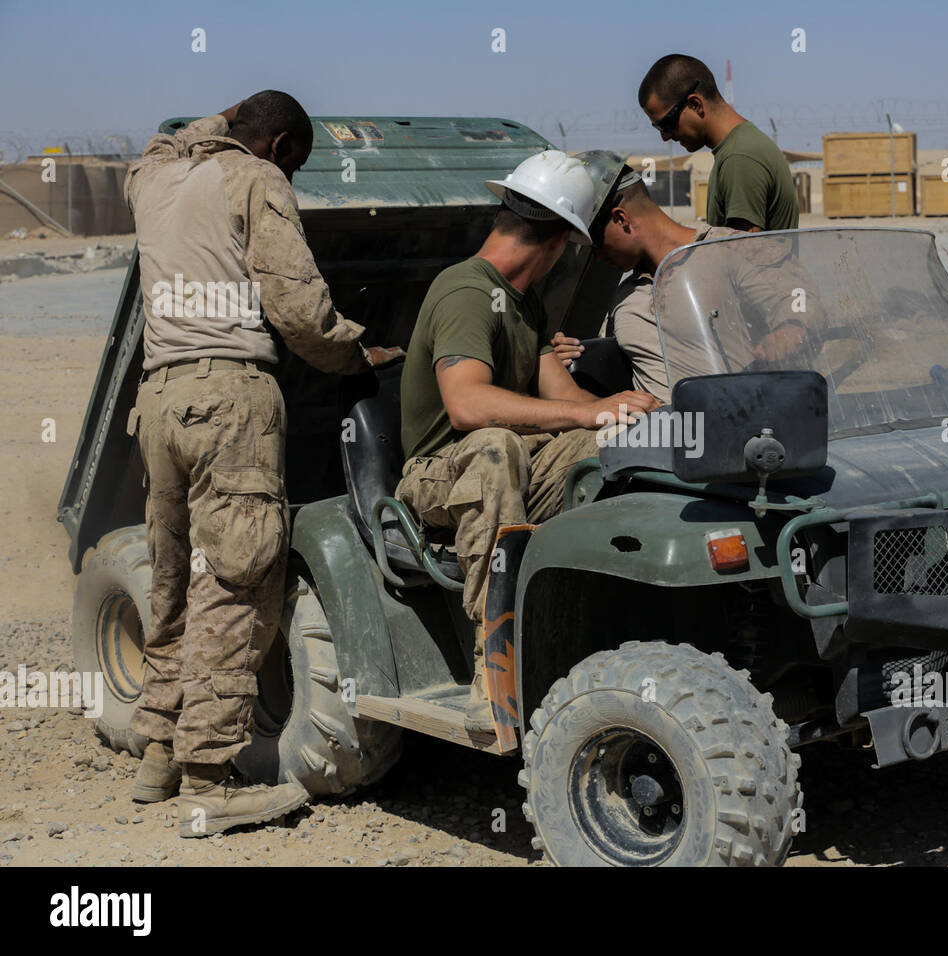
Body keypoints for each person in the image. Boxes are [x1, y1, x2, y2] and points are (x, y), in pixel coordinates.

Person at [124, 90, 404, 835]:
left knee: (174, 580)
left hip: (158, 400)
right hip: (231, 400)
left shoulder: (152, 175)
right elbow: (296, 307)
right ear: (278, 147)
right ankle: (210, 780)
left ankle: (157, 749)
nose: (295, 178)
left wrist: (230, 114)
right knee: (239, 584)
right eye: (298, 164)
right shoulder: (257, 180)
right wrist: (356, 352)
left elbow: (178, 135)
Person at [395, 151, 657, 730]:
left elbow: (565, 399)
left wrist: (622, 412)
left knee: (618, 442)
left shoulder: (524, 303)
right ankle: (494, 665)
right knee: (497, 447)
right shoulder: (466, 290)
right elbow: (467, 405)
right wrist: (583, 414)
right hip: (443, 473)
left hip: (510, 464)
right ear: (559, 241)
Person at [552, 168, 812, 402]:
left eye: (595, 242)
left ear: (621, 219)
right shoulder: (624, 295)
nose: (596, 255)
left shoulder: (726, 249)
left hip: (735, 425)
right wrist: (576, 353)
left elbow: (800, 299)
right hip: (655, 440)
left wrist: (790, 328)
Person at [639, 54, 798, 232]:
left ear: (695, 104)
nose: (665, 137)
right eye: (658, 128)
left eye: (666, 124)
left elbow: (744, 254)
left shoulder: (739, 158)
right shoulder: (738, 148)